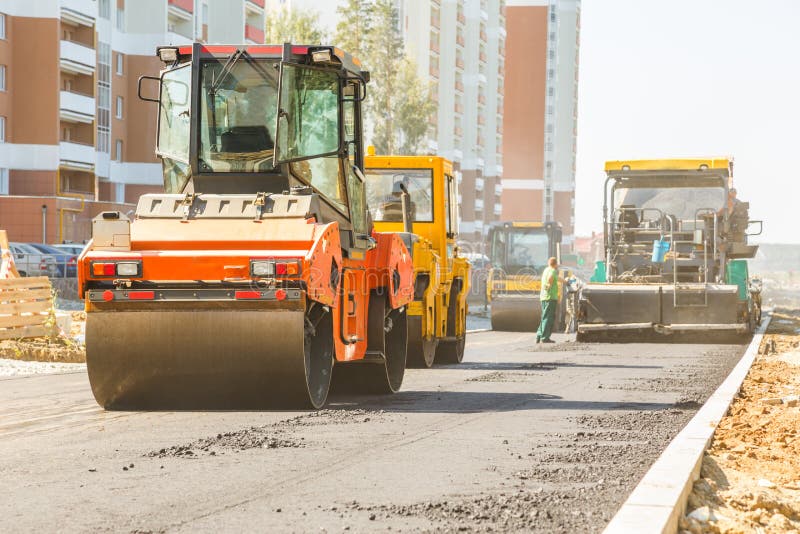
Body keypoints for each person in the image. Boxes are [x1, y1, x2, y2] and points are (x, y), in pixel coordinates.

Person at [536, 256, 559, 344]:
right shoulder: (553, 271)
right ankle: (545, 337)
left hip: (543, 297)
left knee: (544, 317)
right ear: (556, 264)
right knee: (548, 318)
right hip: (550, 297)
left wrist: (565, 281)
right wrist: (549, 285)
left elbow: (556, 278)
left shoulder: (546, 270)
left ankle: (539, 335)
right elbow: (551, 278)